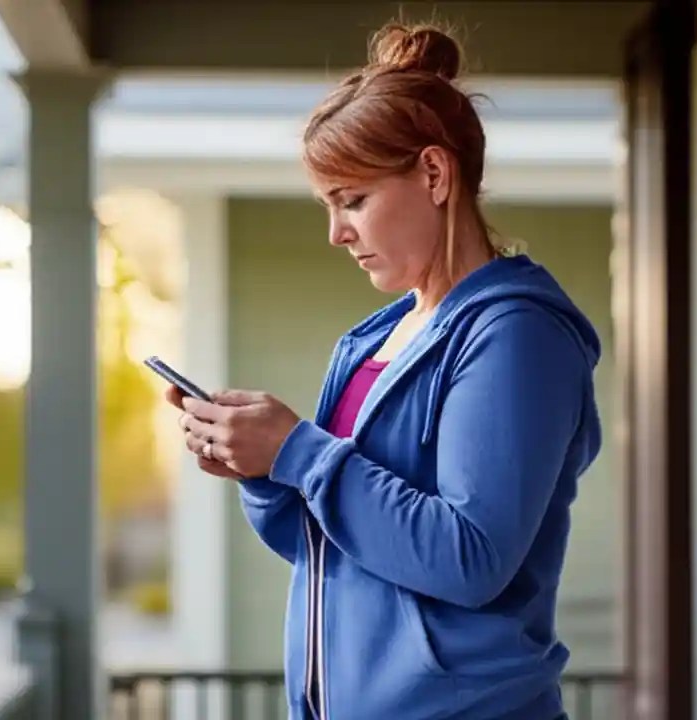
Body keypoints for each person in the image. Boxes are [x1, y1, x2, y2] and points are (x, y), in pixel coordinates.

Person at [167, 20, 602, 720]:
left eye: (353, 200)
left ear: (434, 174)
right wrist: (264, 471)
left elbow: (469, 558)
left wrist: (298, 452)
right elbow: (333, 550)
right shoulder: (371, 341)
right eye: (329, 206)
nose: (337, 233)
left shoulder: (516, 335)